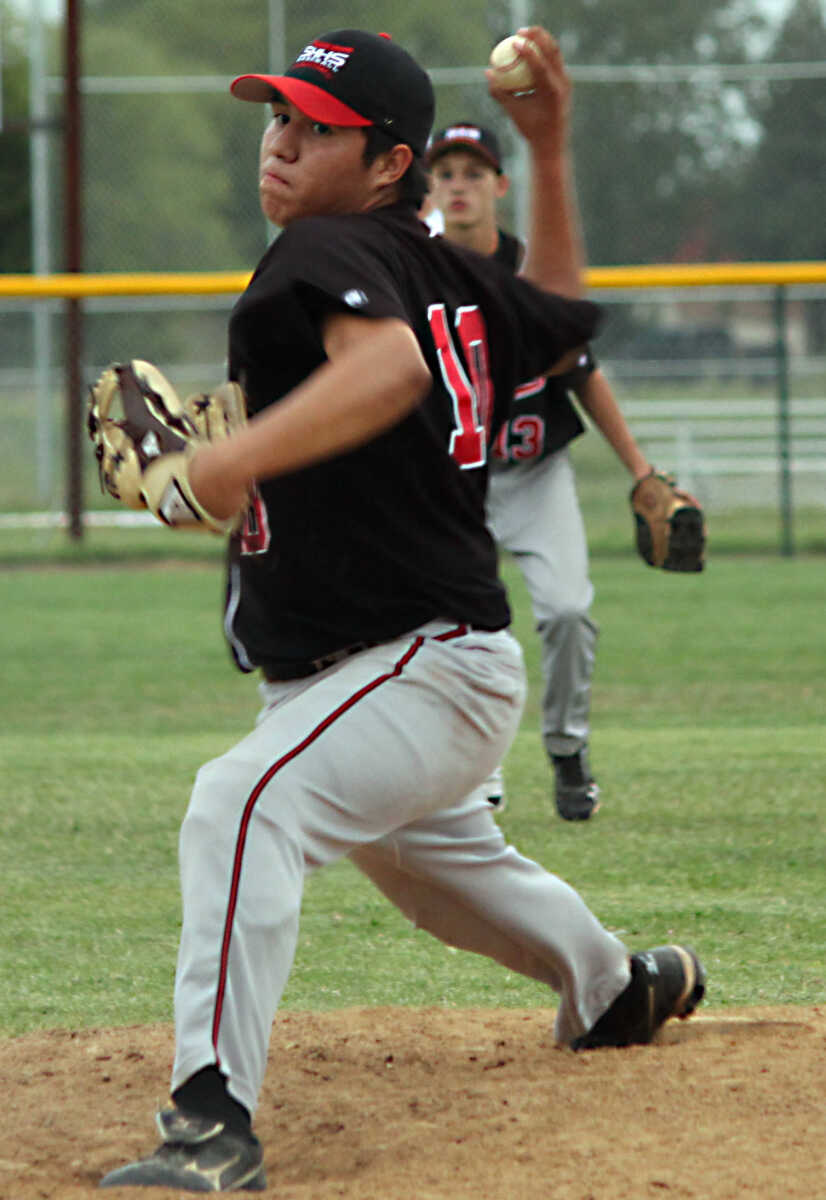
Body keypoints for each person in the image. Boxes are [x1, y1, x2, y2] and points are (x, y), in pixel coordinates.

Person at [99, 27, 705, 1193]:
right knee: (440, 863)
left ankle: (211, 1119)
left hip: (409, 663)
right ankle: (615, 989)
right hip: (409, 668)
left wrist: (226, 468)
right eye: (274, 120)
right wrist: (552, 148)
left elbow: (388, 376)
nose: (276, 144)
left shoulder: (320, 251)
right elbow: (561, 311)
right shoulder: (431, 262)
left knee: (239, 804)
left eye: (313, 129)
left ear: (387, 164)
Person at [426, 119, 657, 821]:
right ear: (429, 186)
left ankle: (567, 750)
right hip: (453, 481)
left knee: (567, 611)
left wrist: (641, 472)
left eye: (474, 172)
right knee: (465, 627)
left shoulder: (533, 273)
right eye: (446, 173)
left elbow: (585, 373)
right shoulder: (415, 270)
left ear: (501, 185)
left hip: (536, 473)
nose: (460, 185)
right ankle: (476, 774)